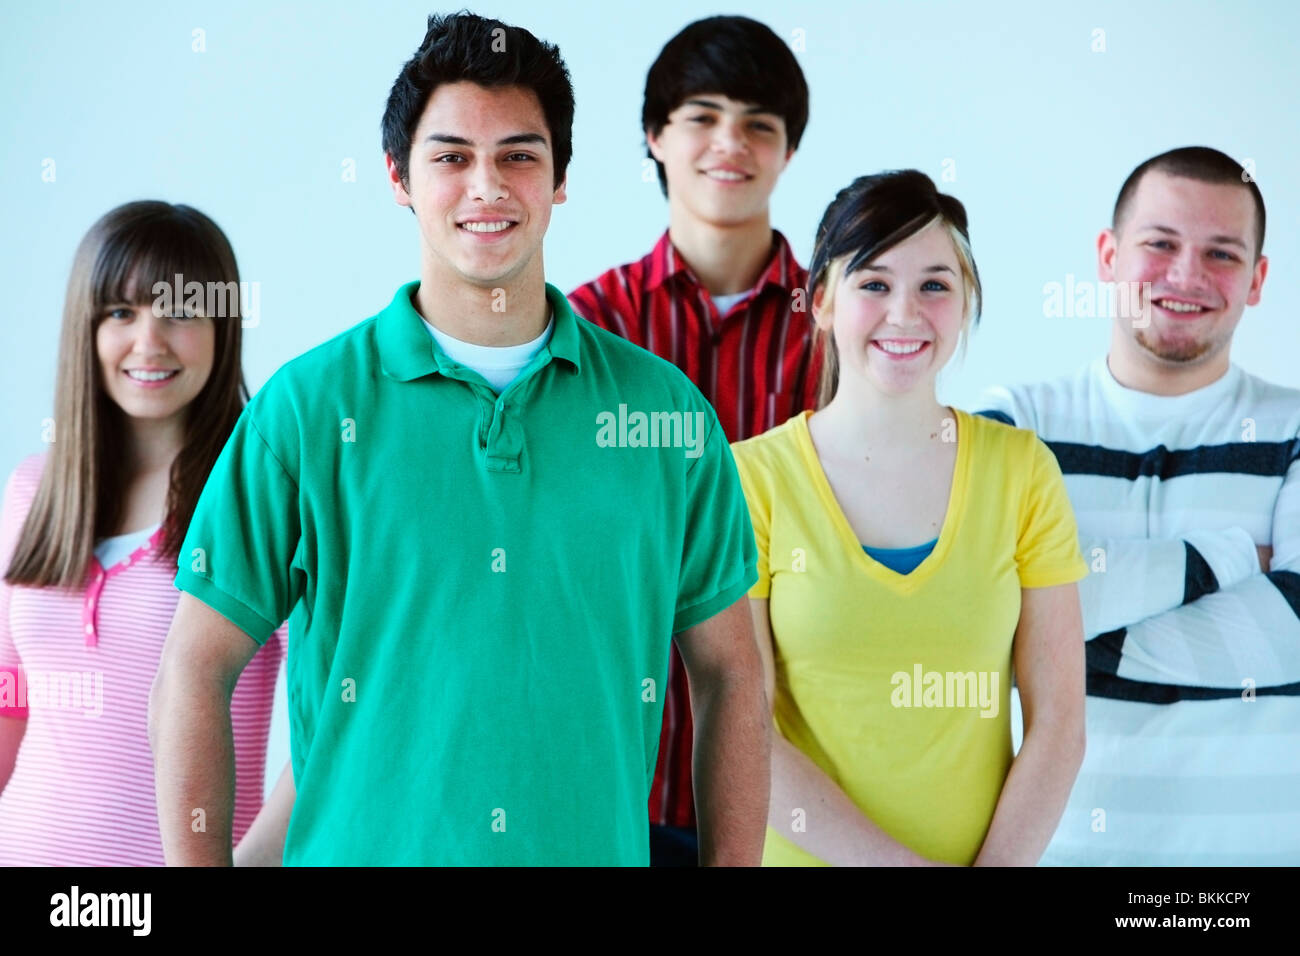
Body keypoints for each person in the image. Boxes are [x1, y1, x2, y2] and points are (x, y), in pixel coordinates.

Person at [148, 12, 768, 867]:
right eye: (451, 158)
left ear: (559, 179)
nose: (487, 186)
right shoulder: (305, 410)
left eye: (519, 154)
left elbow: (733, 679)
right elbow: (192, 670)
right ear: (400, 177)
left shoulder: (666, 418)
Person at [732, 170, 1087, 866]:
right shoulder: (751, 481)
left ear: (965, 303)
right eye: (874, 284)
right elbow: (741, 736)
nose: (905, 313)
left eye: (934, 284)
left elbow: (1060, 725)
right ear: (824, 302)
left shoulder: (1022, 471)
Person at [979, 146, 1300, 865]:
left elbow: (1295, 627)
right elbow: (976, 611)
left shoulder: (1296, 429)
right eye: (1160, 244)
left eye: (1222, 253)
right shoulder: (1011, 425)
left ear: (1258, 280)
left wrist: (1052, 640)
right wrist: (1223, 559)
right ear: (1108, 254)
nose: (1186, 276)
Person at [568, 15, 816, 865]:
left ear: (788, 151)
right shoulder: (586, 329)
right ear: (655, 136)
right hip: (607, 774)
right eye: (702, 116)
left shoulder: (838, 330)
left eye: (759, 124)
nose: (729, 143)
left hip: (793, 777)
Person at [0, 201, 290, 866]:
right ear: (88, 328)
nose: (149, 341)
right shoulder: (30, 490)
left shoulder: (262, 498)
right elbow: (6, 697)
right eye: (122, 313)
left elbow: (332, 720)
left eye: (180, 311)